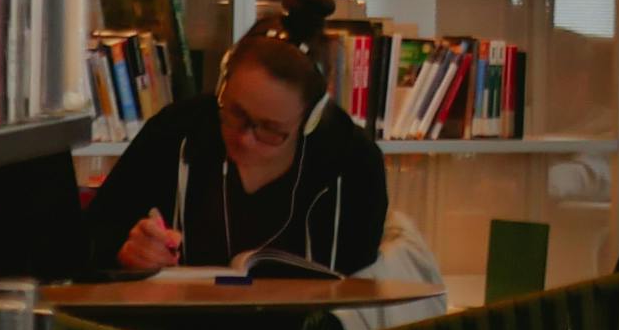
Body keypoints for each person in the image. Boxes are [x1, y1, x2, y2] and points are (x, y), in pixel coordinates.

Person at [74, 20, 388, 278]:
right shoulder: (175, 132)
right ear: (222, 87)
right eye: (235, 114)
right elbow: (92, 242)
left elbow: (358, 285)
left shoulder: (353, 163)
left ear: (309, 120)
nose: (245, 138)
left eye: (270, 130)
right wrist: (127, 254)